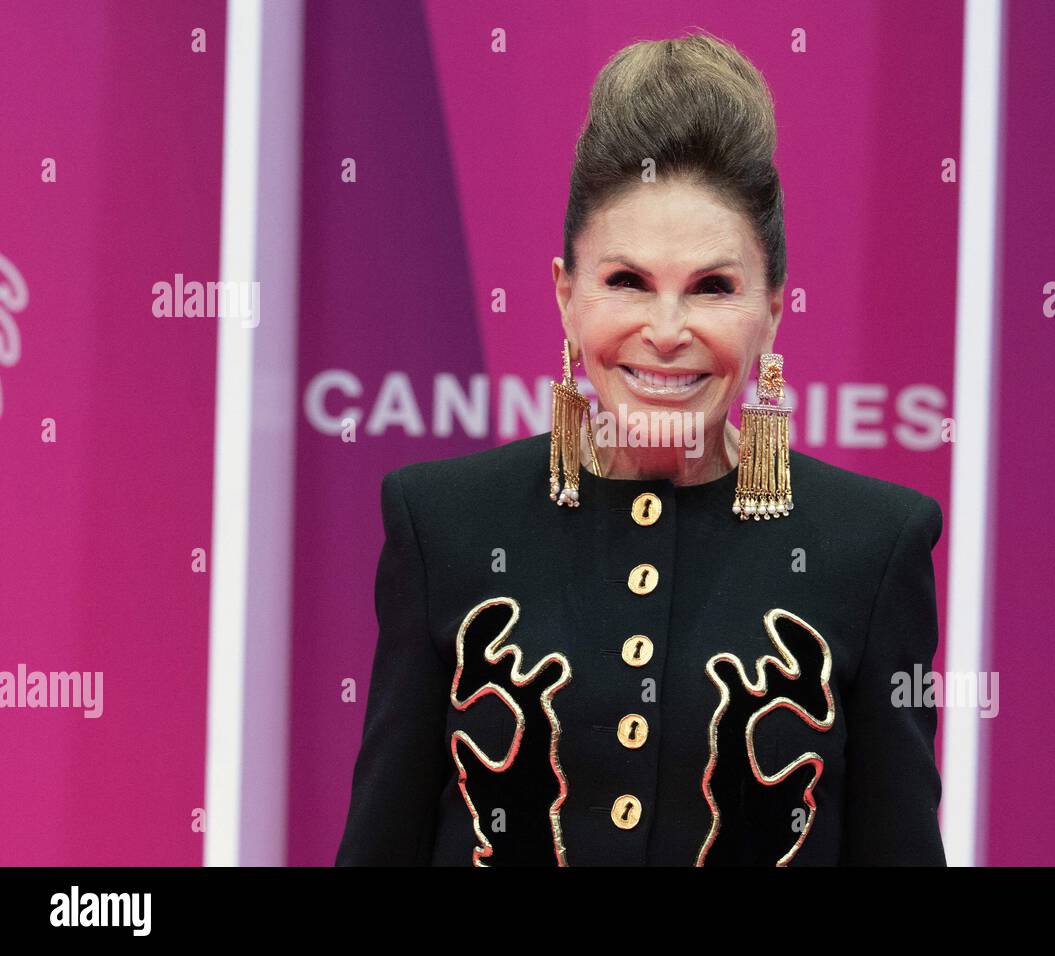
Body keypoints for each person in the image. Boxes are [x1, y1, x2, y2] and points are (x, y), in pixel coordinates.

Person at [336, 29, 946, 866]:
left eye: (713, 288)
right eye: (626, 282)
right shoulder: (443, 524)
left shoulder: (873, 546)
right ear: (565, 295)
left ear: (772, 309)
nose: (665, 332)